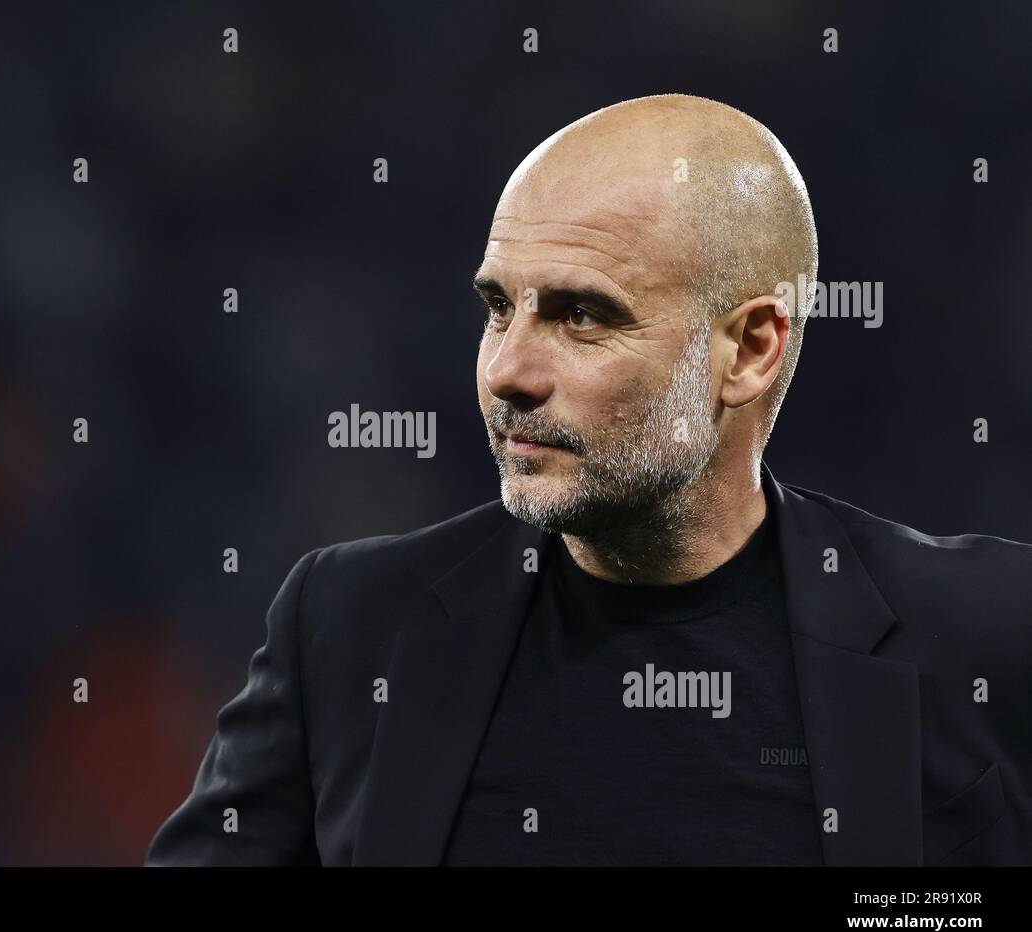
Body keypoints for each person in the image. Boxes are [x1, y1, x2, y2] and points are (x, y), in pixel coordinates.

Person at [145, 94, 1030, 866]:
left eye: (582, 315)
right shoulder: (348, 627)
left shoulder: (989, 634)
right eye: (500, 307)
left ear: (751, 349)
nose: (507, 371)